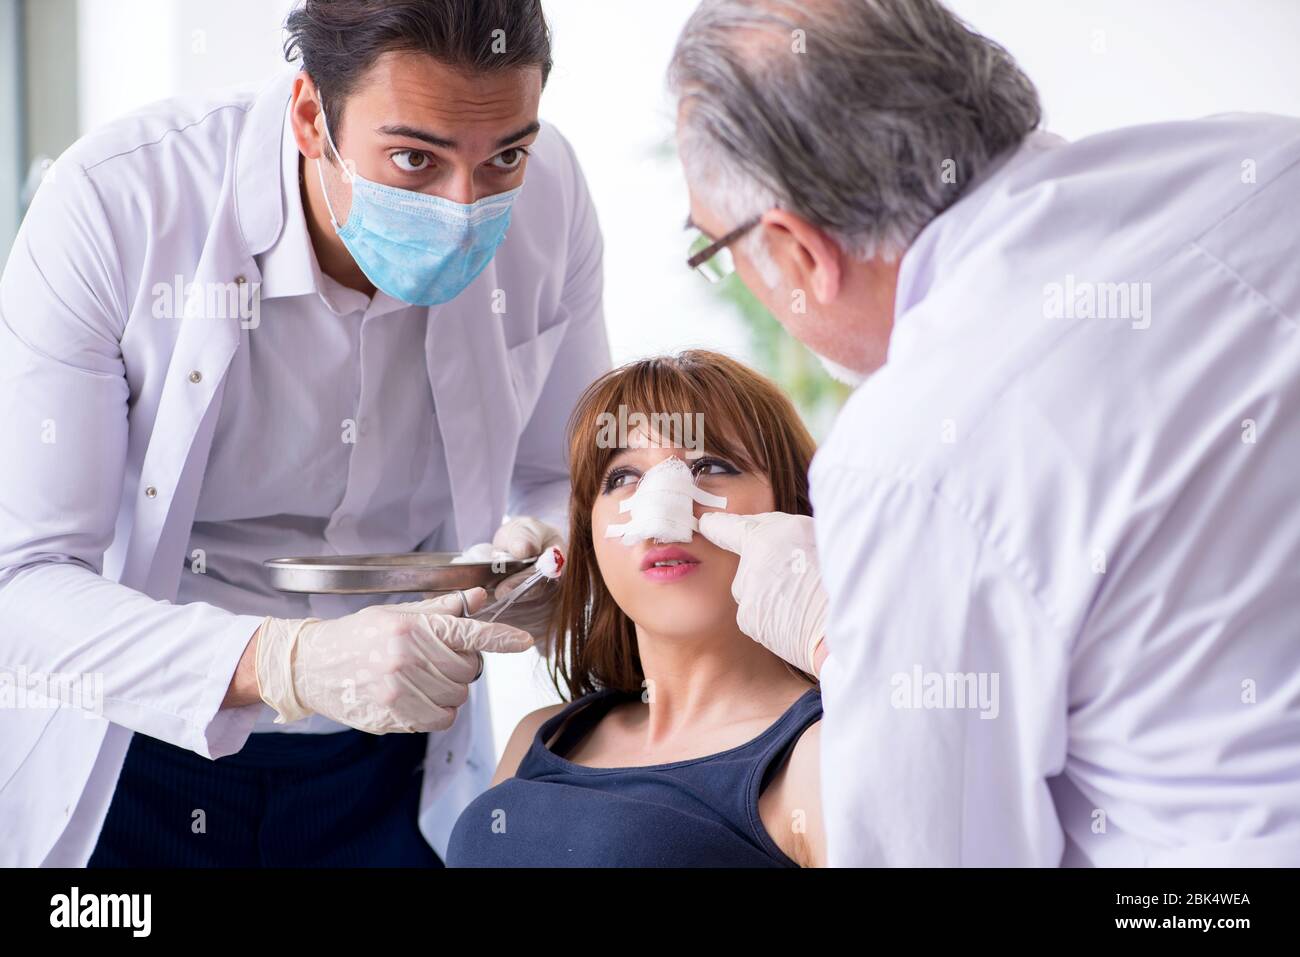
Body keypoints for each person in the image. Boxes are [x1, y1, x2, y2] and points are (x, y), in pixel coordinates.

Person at [671, 0, 1300, 865]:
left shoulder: (915, 454)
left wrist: (848, 643)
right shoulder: (1267, 157)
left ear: (797, 250)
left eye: (716, 250)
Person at [0, 0, 609, 866]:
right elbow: (21, 583)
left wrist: (551, 549)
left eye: (504, 154)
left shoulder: (550, 200)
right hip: (142, 743)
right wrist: (281, 662)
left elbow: (562, 470)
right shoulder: (116, 203)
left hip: (389, 757)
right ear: (309, 116)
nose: (463, 205)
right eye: (414, 158)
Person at [446, 351, 827, 867]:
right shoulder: (546, 734)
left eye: (710, 466)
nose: (661, 511)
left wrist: (841, 646)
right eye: (623, 477)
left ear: (796, 509)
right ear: (587, 541)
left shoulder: (819, 753)